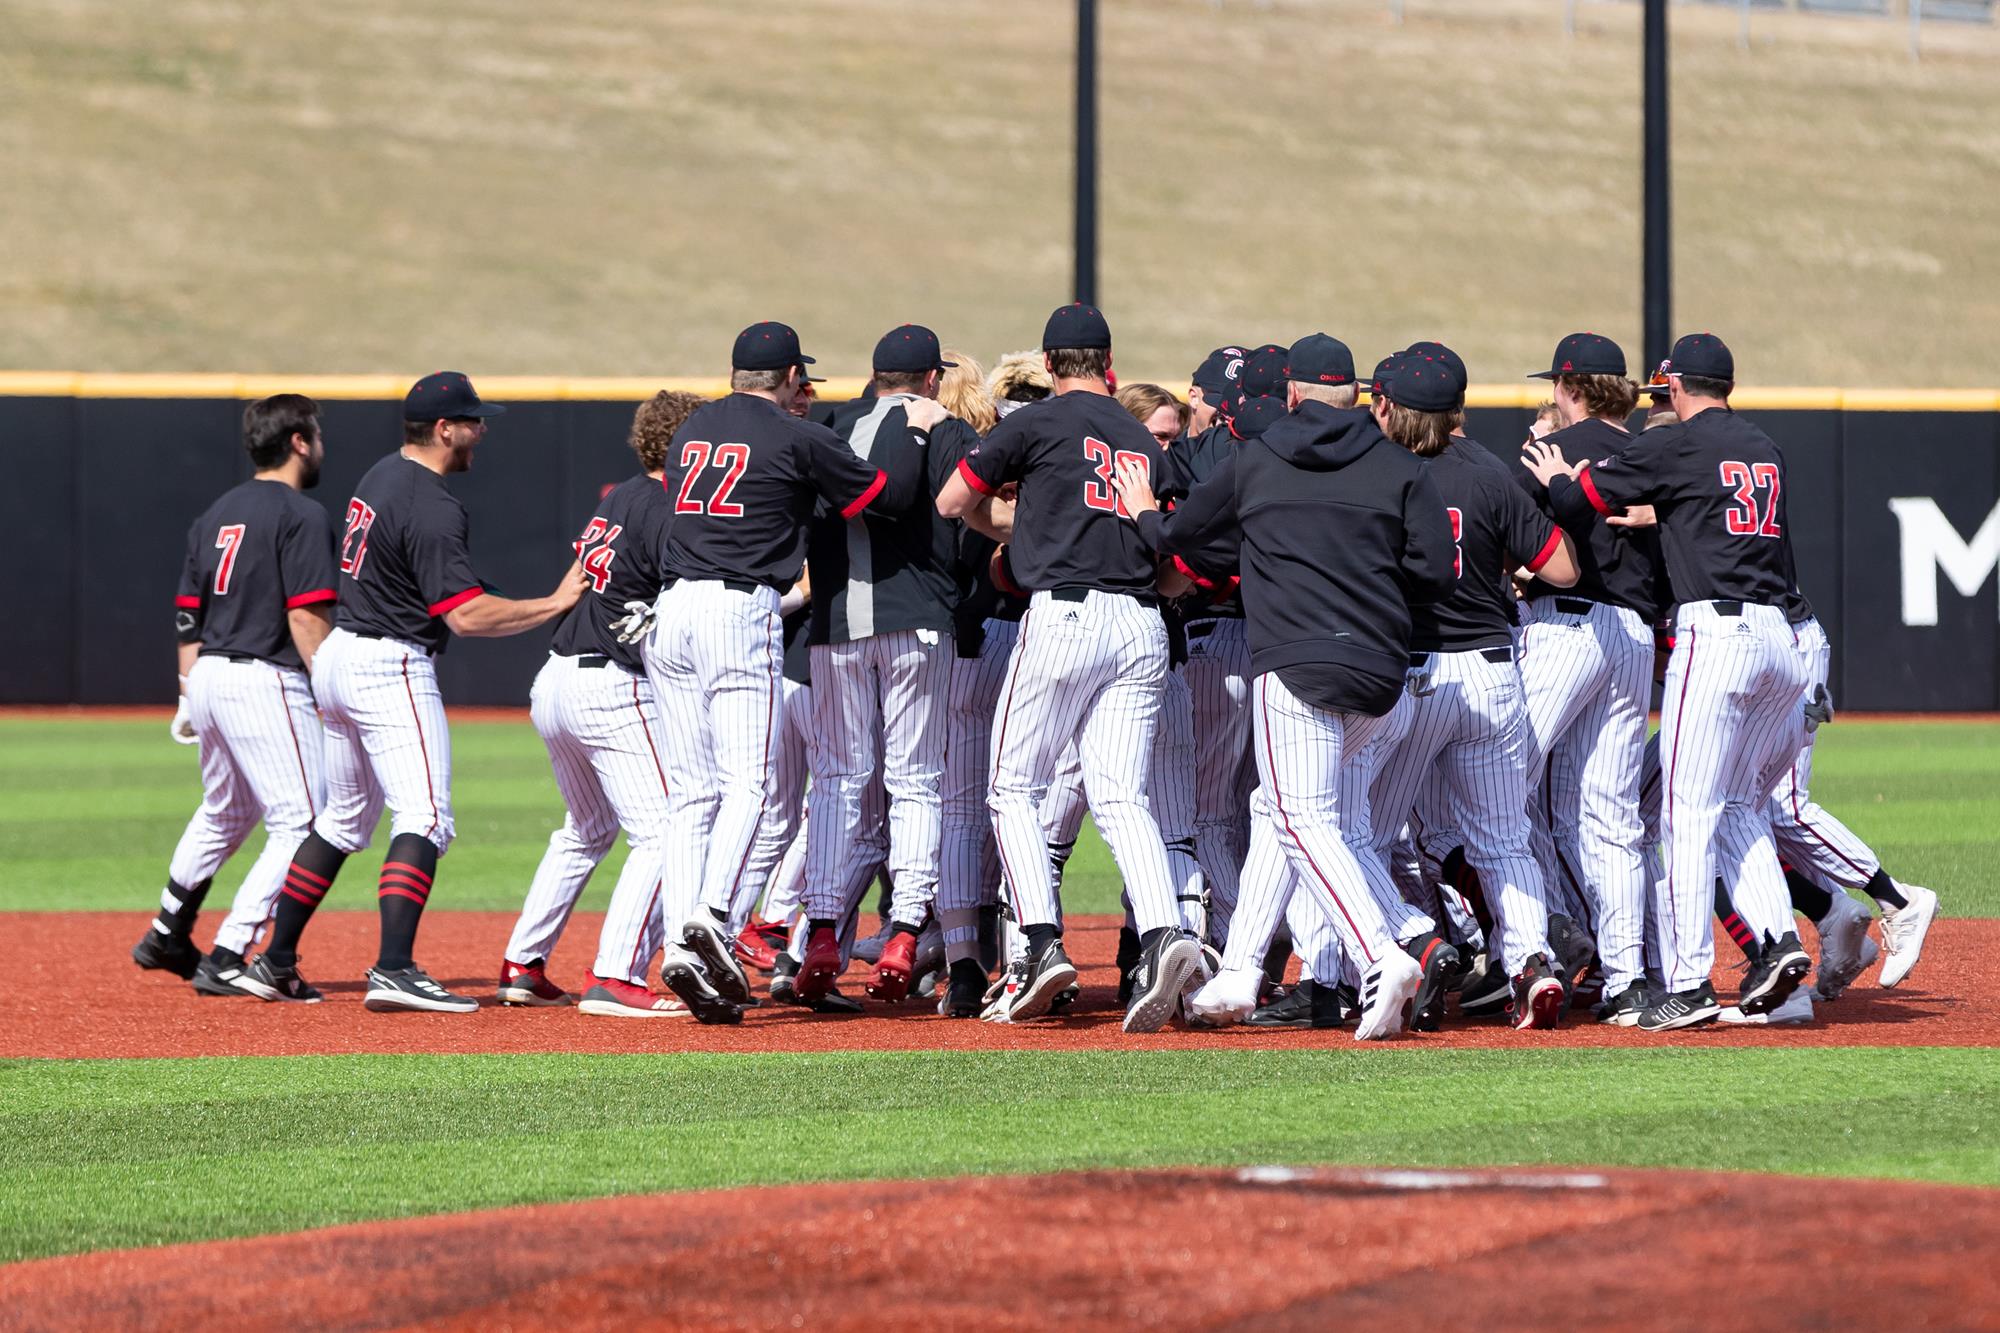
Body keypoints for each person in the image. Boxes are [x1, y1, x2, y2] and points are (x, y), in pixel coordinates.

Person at [1109, 347, 1461, 1041]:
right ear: (1360, 395)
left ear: (1293, 396)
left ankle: (1381, 954)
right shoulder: (1399, 466)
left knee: (1301, 815)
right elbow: (1436, 573)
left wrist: (1143, 512)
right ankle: (1240, 967)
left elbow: (1182, 537)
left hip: (1294, 664)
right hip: (1381, 673)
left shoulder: (1258, 458)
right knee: (1275, 805)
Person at [249, 373, 587, 1010]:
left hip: (342, 655)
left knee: (343, 820)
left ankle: (275, 960)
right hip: (389, 664)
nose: (481, 431)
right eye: (473, 421)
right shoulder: (430, 504)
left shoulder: (381, 473)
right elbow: (465, 615)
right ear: (444, 429)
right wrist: (554, 602)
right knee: (426, 816)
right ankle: (395, 969)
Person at [1524, 332, 1815, 1032]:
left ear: (1677, 388)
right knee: (1741, 804)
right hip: (1781, 635)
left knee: (1687, 814)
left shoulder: (1673, 443)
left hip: (1717, 635)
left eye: (1665, 391)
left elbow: (1581, 500)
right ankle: (1779, 944)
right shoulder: (1763, 445)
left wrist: (1555, 472)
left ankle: (1685, 982)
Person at [935, 303, 1201, 1033]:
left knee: (1010, 785)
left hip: (1066, 614)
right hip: (1144, 620)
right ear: (1107, 364)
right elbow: (1178, 554)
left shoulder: (1034, 422)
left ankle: (1039, 942)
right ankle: (1161, 933)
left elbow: (953, 499)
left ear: (1051, 366)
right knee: (1121, 794)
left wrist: (1018, 522)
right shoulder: (1139, 433)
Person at [649, 322, 916, 1024]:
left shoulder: (693, 428)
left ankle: (682, 938)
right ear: (793, 376)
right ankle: (712, 913)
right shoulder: (800, 435)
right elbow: (878, 498)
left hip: (671, 610)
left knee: (690, 794)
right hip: (738, 608)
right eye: (803, 378)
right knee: (753, 783)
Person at [498, 389, 706, 1018]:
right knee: (669, 830)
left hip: (557, 675)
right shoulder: (670, 504)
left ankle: (522, 964)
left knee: (585, 831)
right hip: (610, 686)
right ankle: (615, 976)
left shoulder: (619, 495)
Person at [134, 395, 337, 999]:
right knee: (304, 823)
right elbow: (305, 618)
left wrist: (187, 693)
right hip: (264, 677)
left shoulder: (217, 513)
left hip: (210, 675)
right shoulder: (301, 514)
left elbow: (186, 616)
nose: (321, 444)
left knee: (226, 811)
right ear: (299, 441)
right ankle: (229, 952)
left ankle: (169, 928)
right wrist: (332, 689)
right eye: (317, 434)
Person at [799, 325, 963, 1004]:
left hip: (836, 625)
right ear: (930, 378)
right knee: (916, 781)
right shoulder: (939, 423)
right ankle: (903, 928)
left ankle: (820, 932)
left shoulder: (832, 426)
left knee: (838, 780)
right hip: (917, 621)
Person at [1510, 333, 1667, 1025]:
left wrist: (1538, 457)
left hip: (1566, 629)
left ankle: (1556, 935)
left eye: (1555, 384)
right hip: (1633, 635)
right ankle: (1627, 978)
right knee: (1611, 817)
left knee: (1500, 787)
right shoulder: (1648, 452)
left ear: (1571, 386)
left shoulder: (1557, 453)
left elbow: (1509, 536)